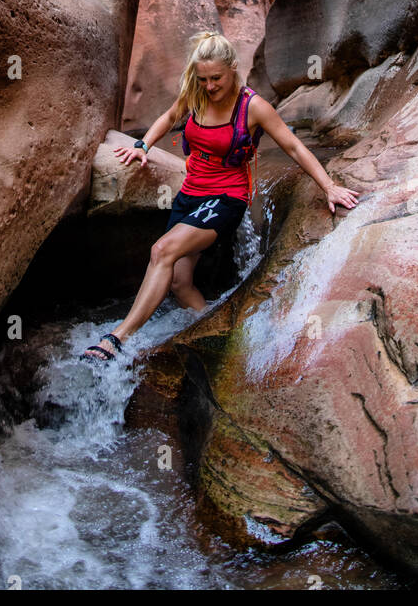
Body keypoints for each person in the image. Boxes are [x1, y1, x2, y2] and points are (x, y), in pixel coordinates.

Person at [80, 30, 360, 362]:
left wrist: (329, 186)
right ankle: (218, 334)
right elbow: (170, 117)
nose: (210, 86)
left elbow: (294, 146)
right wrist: (142, 145)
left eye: (216, 78)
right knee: (180, 283)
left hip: (227, 197)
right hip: (189, 194)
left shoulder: (252, 106)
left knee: (162, 250)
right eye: (203, 79)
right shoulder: (195, 93)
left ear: (232, 71)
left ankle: (116, 339)